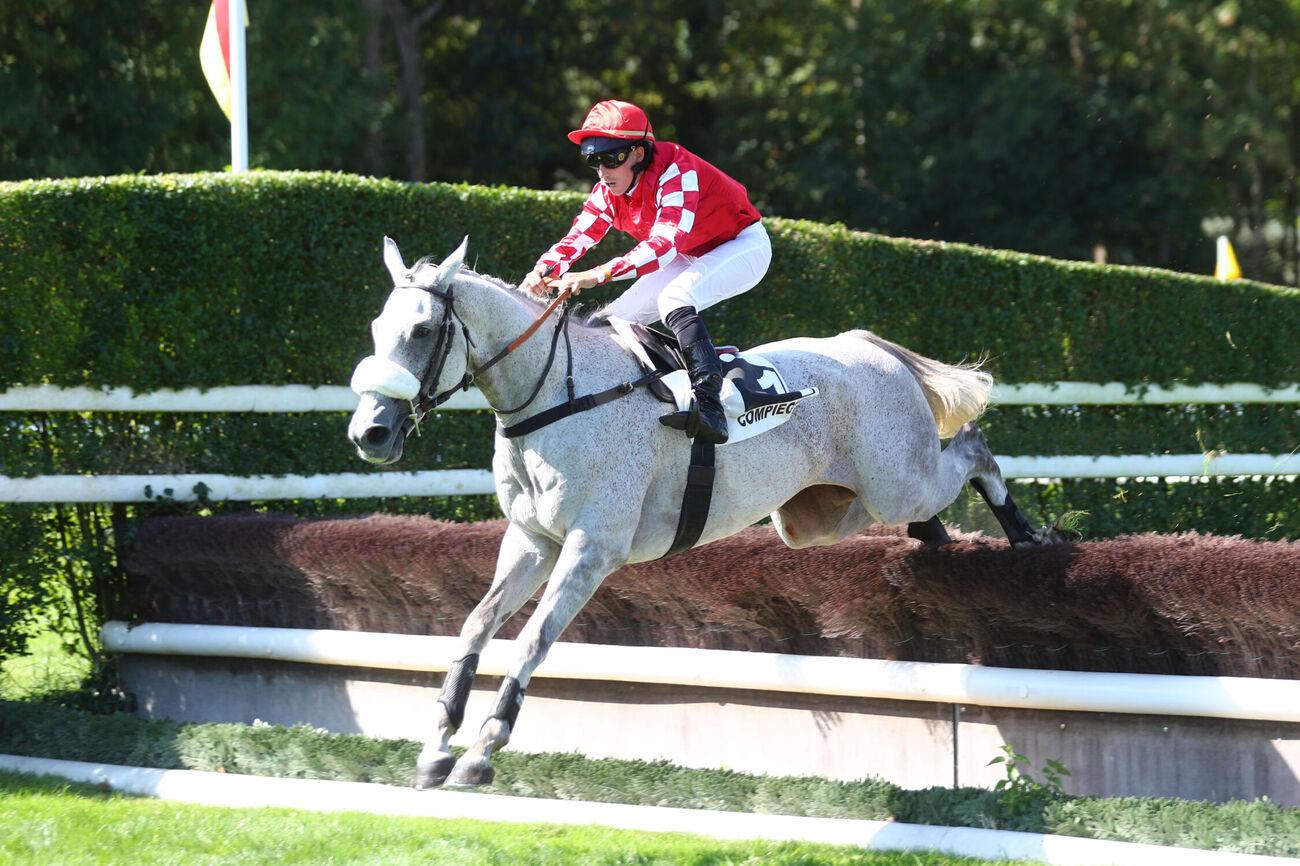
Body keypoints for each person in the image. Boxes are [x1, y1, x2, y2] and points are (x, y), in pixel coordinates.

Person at [521, 99, 771, 445]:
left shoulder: (677, 171)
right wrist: (543, 270)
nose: (603, 171)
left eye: (611, 158)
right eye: (593, 160)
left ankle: (710, 405)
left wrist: (596, 274)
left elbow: (663, 247)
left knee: (675, 297)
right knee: (608, 321)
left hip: (743, 246)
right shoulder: (607, 190)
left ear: (638, 153)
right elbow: (580, 235)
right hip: (691, 252)